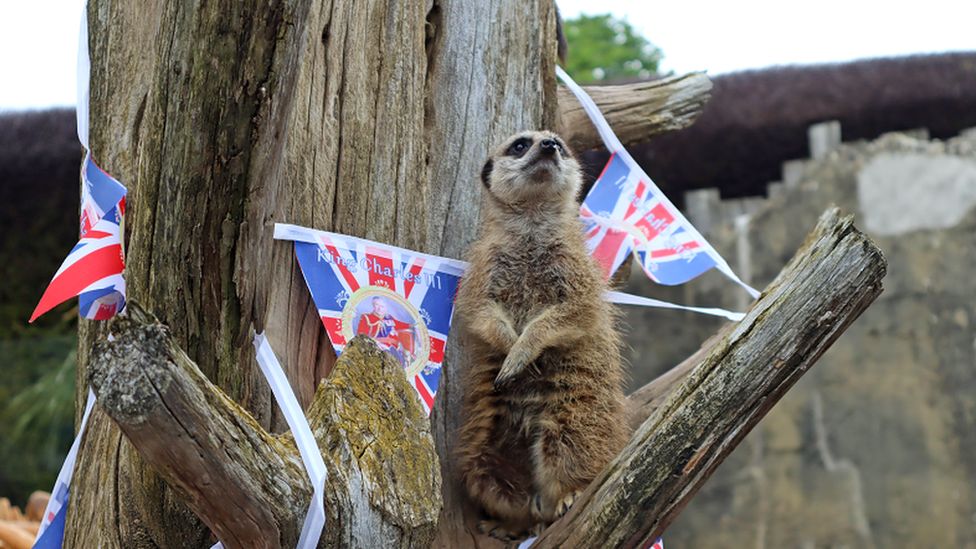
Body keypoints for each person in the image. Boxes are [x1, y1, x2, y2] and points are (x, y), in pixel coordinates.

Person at [355, 296, 417, 368]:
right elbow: (361, 335)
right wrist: (376, 343)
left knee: (403, 362)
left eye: (382, 306)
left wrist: (414, 326)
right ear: (373, 305)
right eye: (377, 305)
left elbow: (401, 325)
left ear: (385, 307)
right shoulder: (366, 317)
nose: (379, 308)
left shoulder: (389, 318)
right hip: (378, 347)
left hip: (394, 348)